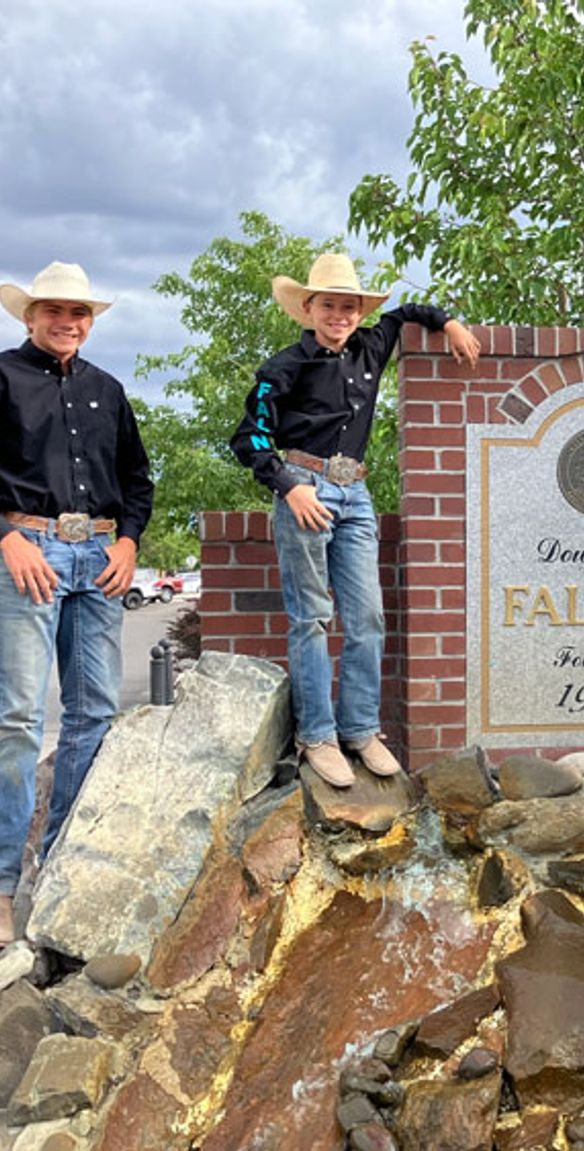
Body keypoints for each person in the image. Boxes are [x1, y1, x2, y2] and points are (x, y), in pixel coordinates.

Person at [0, 261, 154, 948]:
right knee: (21, 717)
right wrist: (5, 535)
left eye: (79, 313)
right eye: (54, 310)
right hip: (30, 552)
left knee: (95, 715)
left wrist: (129, 541)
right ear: (29, 317)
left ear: (90, 322)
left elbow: (138, 477)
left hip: (99, 559)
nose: (68, 321)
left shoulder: (108, 391)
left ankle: (59, 860)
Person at [230, 252, 479, 788]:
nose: (339, 315)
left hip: (356, 493)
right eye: (329, 305)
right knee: (311, 618)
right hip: (306, 488)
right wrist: (289, 485)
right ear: (309, 308)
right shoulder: (283, 368)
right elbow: (249, 438)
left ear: (360, 311)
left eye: (349, 306)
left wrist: (449, 323)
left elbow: (409, 311)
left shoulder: (373, 344)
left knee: (367, 617)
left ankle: (361, 730)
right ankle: (317, 736)